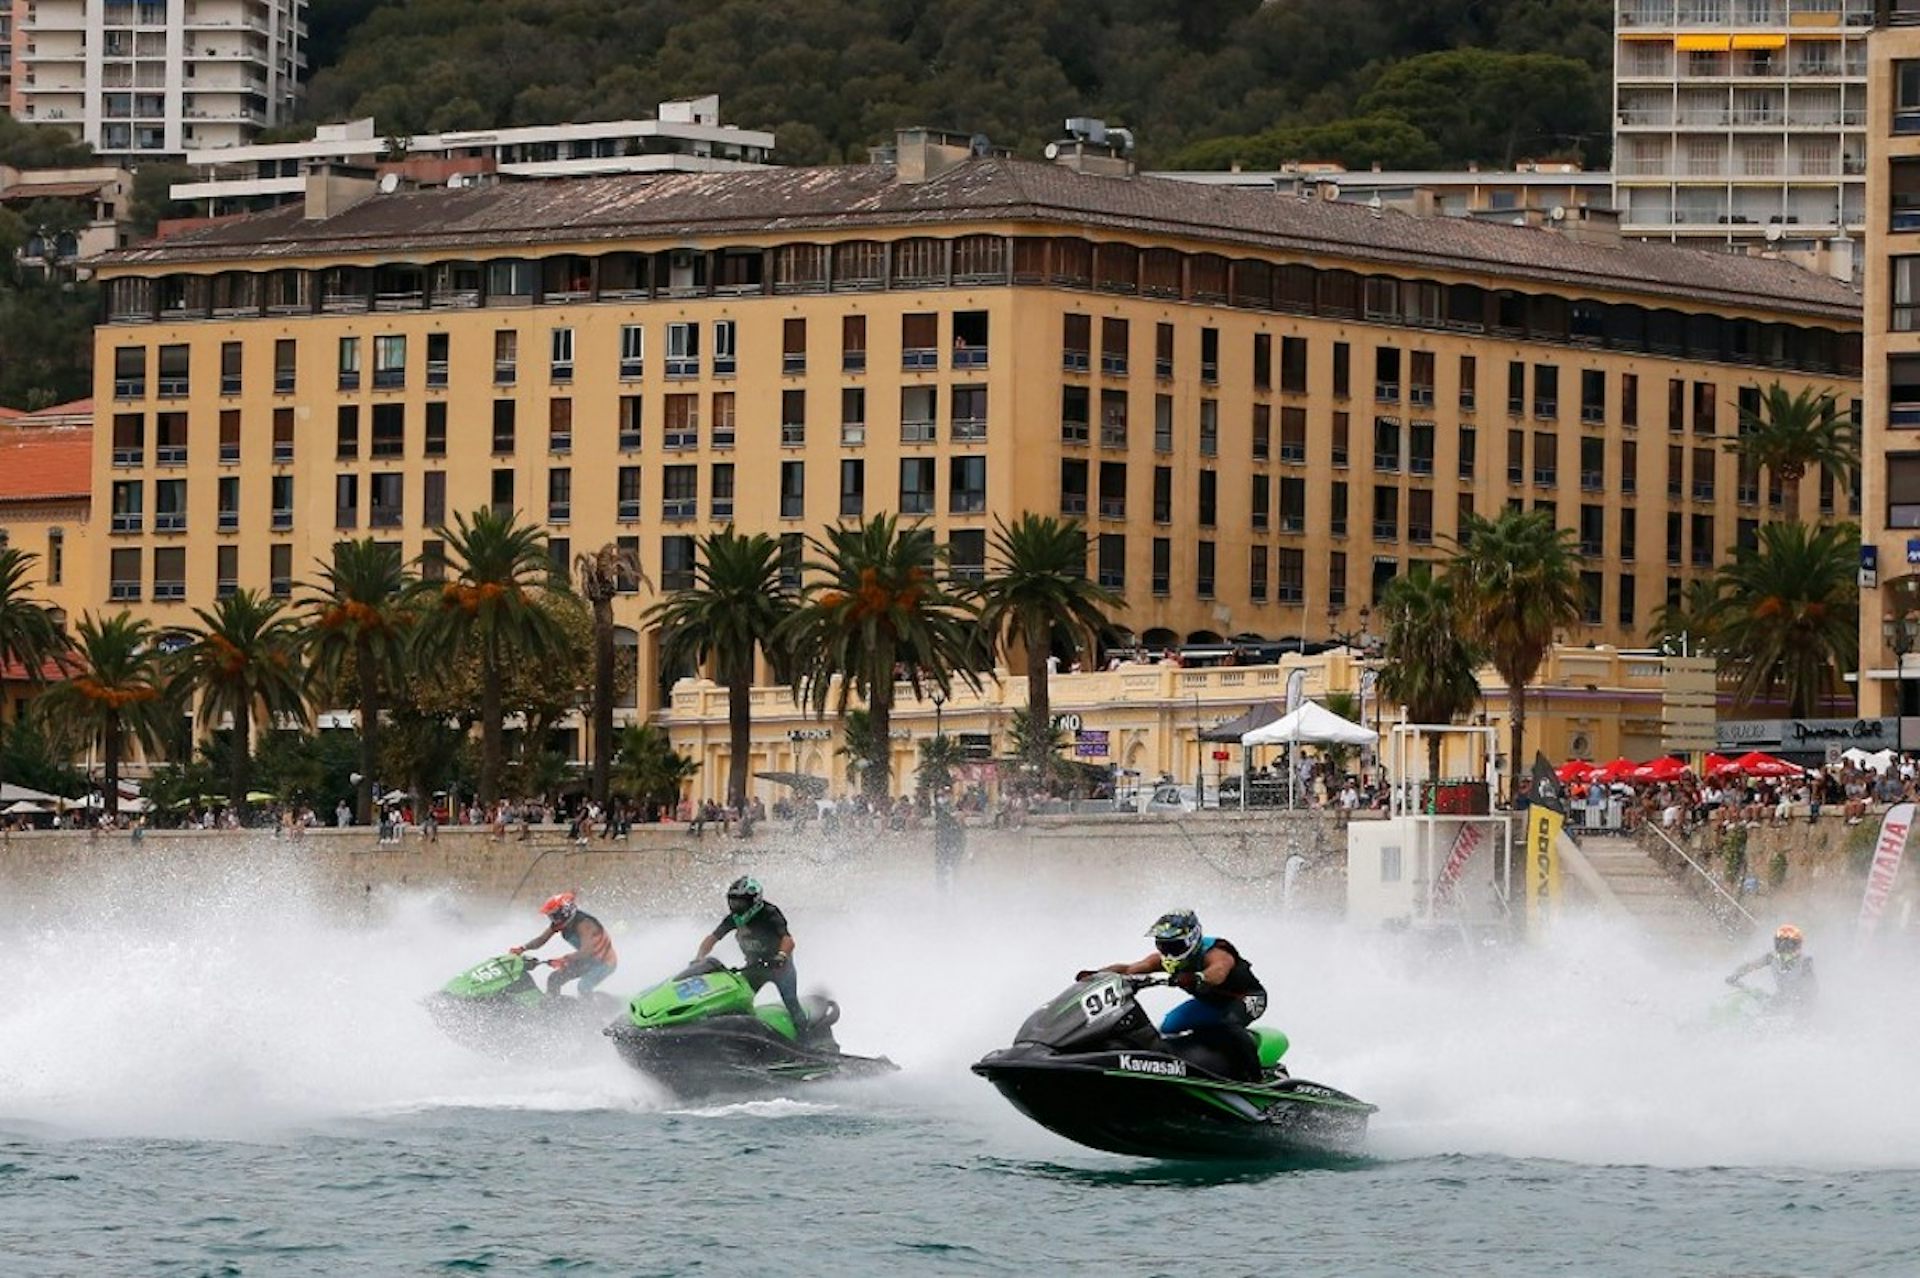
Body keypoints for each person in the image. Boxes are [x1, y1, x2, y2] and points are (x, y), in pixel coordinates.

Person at [1082, 909, 1268, 1080]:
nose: (1169, 952)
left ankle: (1255, 1077)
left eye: (1174, 945)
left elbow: (1218, 973)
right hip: (1212, 1004)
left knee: (1229, 1024)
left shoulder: (1216, 952)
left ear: (1192, 940)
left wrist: (1197, 977)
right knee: (1169, 1026)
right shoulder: (1164, 960)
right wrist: (1098, 975)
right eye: (1163, 946)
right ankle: (1191, 1066)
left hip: (1247, 998)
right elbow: (1129, 969)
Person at [694, 876, 810, 1038]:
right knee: (740, 1001)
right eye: (733, 902)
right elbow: (713, 938)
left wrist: (781, 956)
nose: (736, 907)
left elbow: (788, 940)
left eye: (741, 902)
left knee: (791, 1002)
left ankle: (806, 1039)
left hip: (779, 968)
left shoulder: (770, 914)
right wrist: (699, 957)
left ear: (754, 901)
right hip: (754, 968)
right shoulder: (734, 919)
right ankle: (743, 1038)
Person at [512, 891, 618, 997]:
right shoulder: (560, 923)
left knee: (584, 987)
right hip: (587, 960)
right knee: (554, 979)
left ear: (564, 912)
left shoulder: (585, 924)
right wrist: (522, 948)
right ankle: (553, 1004)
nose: (552, 920)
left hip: (604, 963)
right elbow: (542, 939)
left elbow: (587, 951)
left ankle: (594, 1007)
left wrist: (564, 959)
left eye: (554, 916)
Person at [1726, 923, 1818, 1015]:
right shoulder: (1771, 957)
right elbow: (1751, 966)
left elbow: (1811, 986)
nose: (1784, 948)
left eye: (1789, 944)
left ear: (1797, 945)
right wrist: (1735, 975)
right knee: (1763, 1011)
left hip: (1799, 1001)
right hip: (1780, 997)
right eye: (1781, 944)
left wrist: (1803, 1005)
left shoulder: (1805, 961)